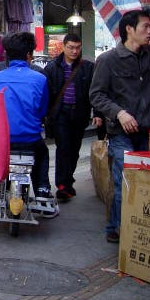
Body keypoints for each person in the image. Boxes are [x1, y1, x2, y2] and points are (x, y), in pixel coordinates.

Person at [90, 8, 150, 243]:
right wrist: (120, 113)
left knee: (145, 184)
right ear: (129, 29)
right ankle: (118, 230)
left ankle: (137, 227)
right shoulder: (108, 60)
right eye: (145, 26)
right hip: (119, 134)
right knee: (123, 181)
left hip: (145, 133)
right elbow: (96, 95)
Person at [0, 32, 52, 199]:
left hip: (3, 142)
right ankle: (42, 189)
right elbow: (43, 110)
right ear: (29, 55)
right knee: (42, 154)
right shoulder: (40, 78)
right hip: (30, 140)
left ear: (7, 55)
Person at [43, 33, 102, 201]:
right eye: (71, 47)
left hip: (80, 113)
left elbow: (95, 92)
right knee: (63, 148)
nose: (74, 51)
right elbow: (47, 94)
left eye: (77, 47)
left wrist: (97, 113)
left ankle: (67, 181)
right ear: (63, 47)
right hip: (60, 114)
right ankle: (62, 185)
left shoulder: (88, 67)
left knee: (74, 149)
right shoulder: (52, 67)